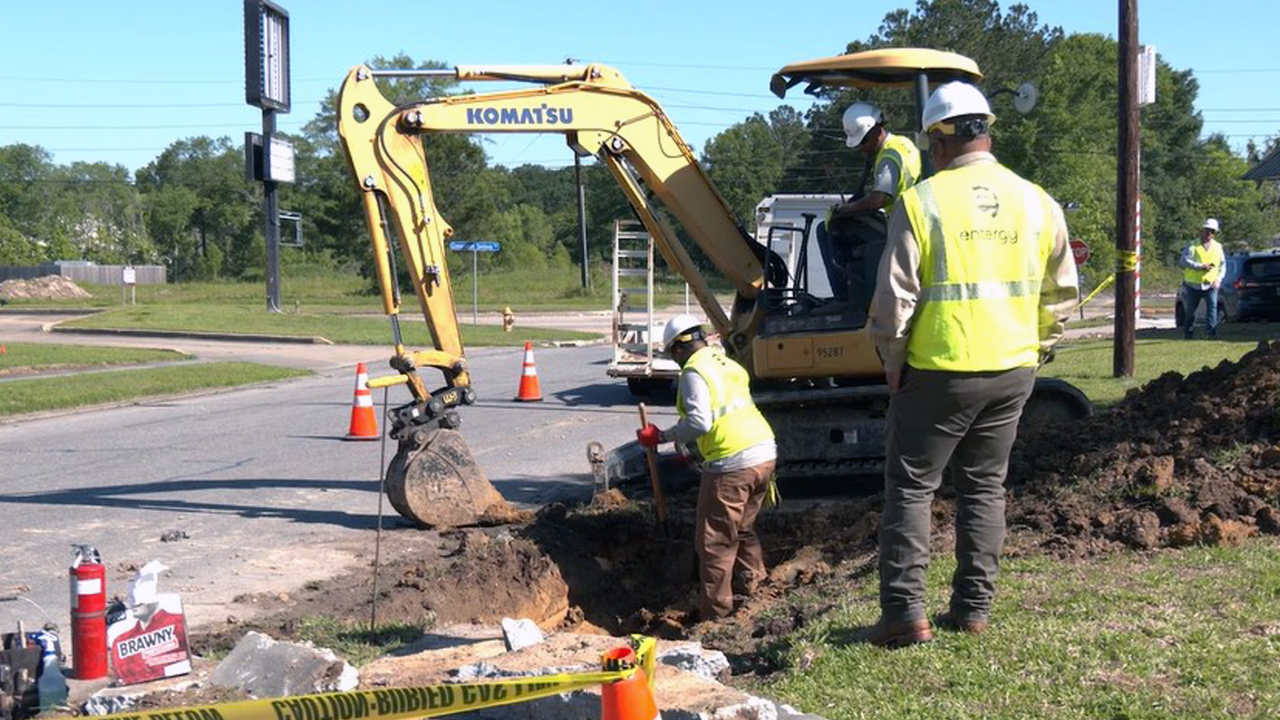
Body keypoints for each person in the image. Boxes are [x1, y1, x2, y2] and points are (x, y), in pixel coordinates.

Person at [865, 82, 1079, 648]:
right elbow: (1060, 295)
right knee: (985, 489)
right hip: (1011, 369)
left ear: (938, 140)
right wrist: (1035, 349)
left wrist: (891, 360)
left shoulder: (923, 201)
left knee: (912, 489)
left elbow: (894, 301)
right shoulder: (1037, 200)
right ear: (984, 131)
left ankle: (905, 615)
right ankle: (973, 609)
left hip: (938, 368)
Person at [636, 315, 777, 620]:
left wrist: (661, 436)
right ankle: (758, 589)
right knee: (742, 528)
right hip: (763, 451)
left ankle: (716, 616)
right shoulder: (725, 362)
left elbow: (701, 421)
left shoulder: (693, 371)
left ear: (677, 350)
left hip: (732, 460)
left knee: (715, 542)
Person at [818, 102, 922, 309]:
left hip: (895, 225)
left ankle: (844, 298)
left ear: (876, 130)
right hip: (907, 221)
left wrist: (841, 211)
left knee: (825, 229)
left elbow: (878, 200)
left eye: (863, 142)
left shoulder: (889, 157)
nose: (862, 148)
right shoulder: (904, 144)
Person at [1180, 218, 1226, 339]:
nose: (1209, 234)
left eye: (1212, 231)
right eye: (1207, 230)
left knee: (1212, 309)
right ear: (1202, 230)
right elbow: (1183, 261)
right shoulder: (1192, 245)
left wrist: (1219, 279)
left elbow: (1222, 265)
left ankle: (1211, 334)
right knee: (1191, 311)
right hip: (1193, 284)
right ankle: (1188, 334)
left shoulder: (1218, 247)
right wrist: (1199, 266)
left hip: (1211, 284)